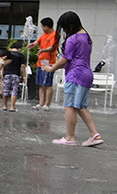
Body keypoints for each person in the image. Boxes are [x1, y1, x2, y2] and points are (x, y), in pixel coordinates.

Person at [43, 11, 103, 147]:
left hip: (75, 75)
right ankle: (95, 135)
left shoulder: (73, 39)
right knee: (81, 107)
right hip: (86, 74)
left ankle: (70, 138)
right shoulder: (86, 37)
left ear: (70, 25)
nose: (64, 31)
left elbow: (65, 59)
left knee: (70, 106)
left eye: (64, 27)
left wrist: (51, 68)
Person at [29, 17, 57, 111]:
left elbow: (52, 47)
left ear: (47, 26)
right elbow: (37, 42)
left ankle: (47, 104)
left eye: (42, 26)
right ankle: (41, 103)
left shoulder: (55, 35)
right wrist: (32, 45)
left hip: (50, 63)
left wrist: (43, 50)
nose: (42, 28)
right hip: (41, 62)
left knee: (48, 84)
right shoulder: (44, 35)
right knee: (41, 84)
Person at [2, 45, 26, 112]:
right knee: (14, 90)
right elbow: (23, 66)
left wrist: (1, 74)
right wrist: (24, 76)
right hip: (16, 74)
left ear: (11, 48)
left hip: (6, 74)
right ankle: (12, 107)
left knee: (6, 90)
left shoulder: (7, 54)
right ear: (19, 49)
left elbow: (2, 64)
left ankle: (5, 106)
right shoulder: (21, 55)